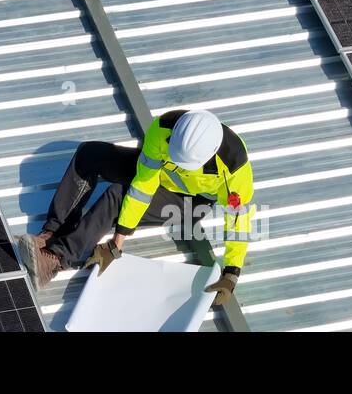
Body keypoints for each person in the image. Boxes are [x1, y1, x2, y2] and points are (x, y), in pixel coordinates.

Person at [17, 109, 253, 306]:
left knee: (118, 194)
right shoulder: (162, 128)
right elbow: (142, 187)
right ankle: (51, 234)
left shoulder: (234, 167)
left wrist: (232, 272)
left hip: (188, 203)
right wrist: (118, 242)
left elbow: (238, 220)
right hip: (154, 176)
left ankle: (56, 259)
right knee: (90, 155)